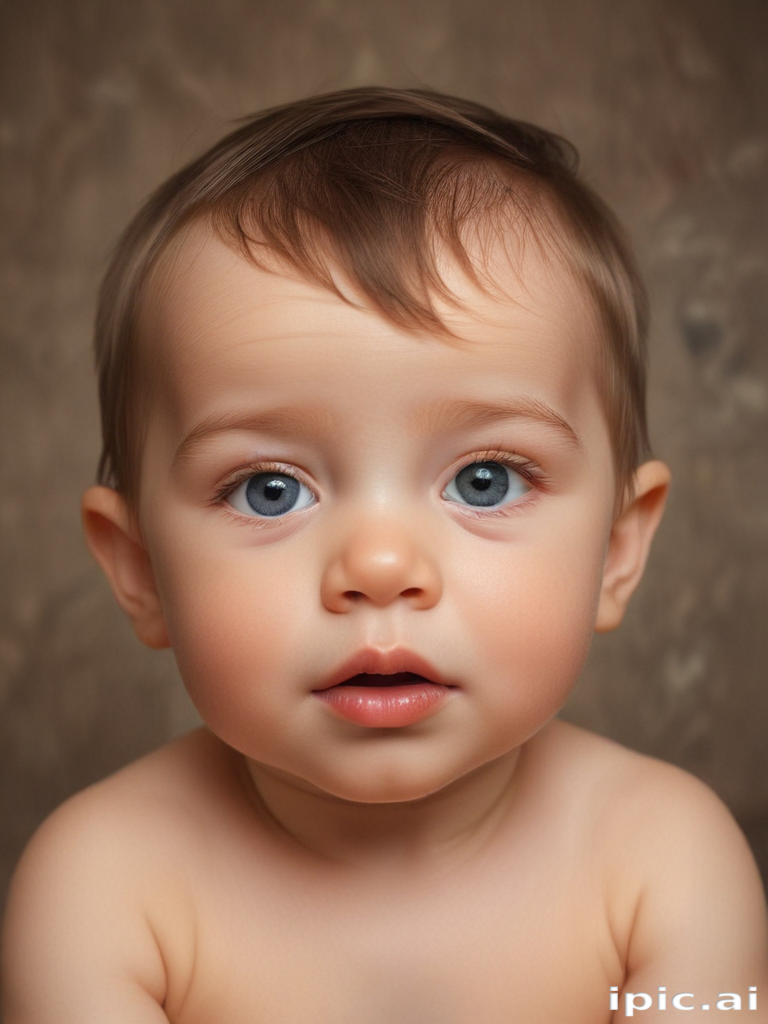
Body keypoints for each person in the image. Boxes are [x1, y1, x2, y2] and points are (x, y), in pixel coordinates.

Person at [2, 87, 766, 1023]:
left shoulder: (666, 864)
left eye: (485, 480)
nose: (377, 566)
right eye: (268, 489)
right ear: (140, 569)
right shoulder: (103, 889)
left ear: (616, 547)